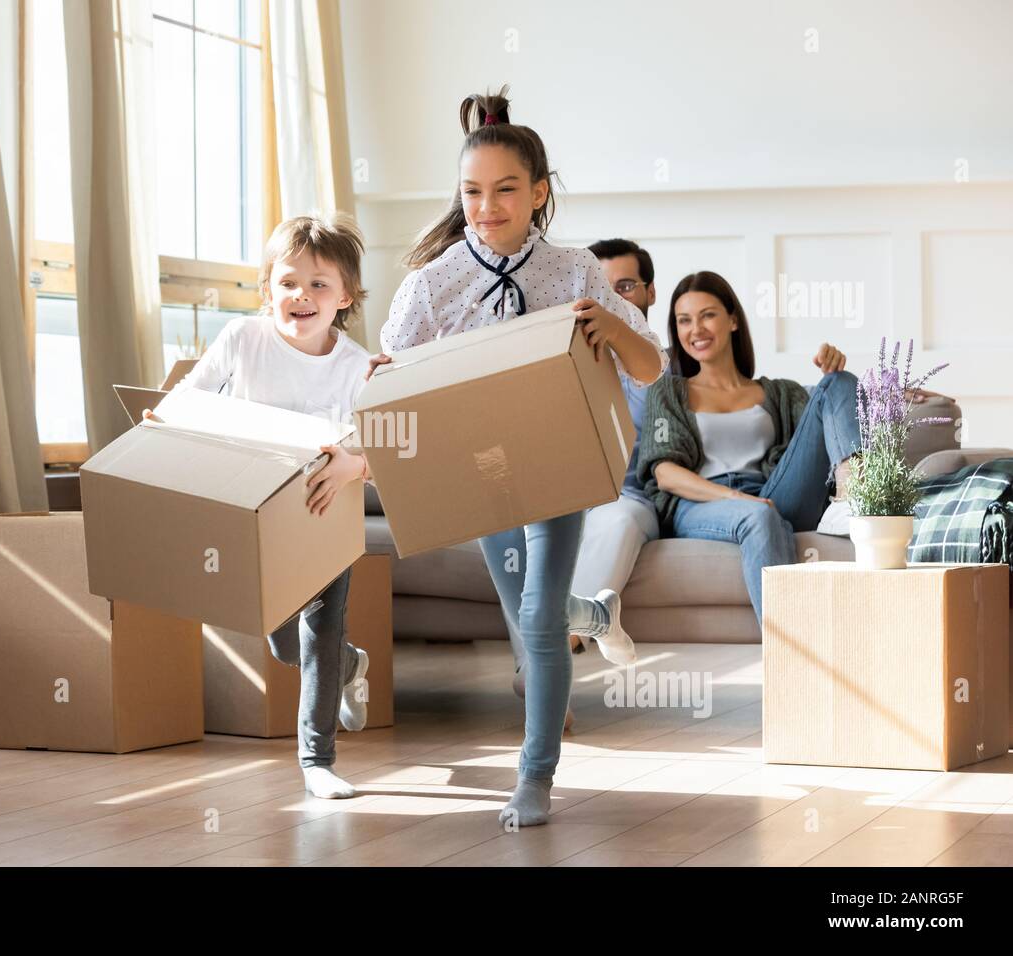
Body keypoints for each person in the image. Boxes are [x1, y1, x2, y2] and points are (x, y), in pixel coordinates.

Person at [378, 88, 668, 828]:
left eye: (506, 190)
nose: (486, 206)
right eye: (472, 192)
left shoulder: (575, 272)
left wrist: (606, 322)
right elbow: (394, 385)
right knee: (532, 613)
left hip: (559, 468)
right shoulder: (432, 285)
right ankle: (591, 610)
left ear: (539, 194)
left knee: (536, 622)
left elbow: (649, 366)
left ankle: (533, 777)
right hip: (481, 476)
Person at [170, 215, 373, 800]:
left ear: (345, 297)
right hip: (255, 509)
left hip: (321, 510)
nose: (301, 297)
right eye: (287, 283)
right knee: (283, 639)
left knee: (320, 629)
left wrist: (353, 464)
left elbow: (387, 448)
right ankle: (349, 664)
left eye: (318, 285)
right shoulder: (242, 338)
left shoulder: (357, 365)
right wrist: (167, 421)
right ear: (267, 290)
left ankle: (317, 759)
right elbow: (188, 398)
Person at [637, 270, 859, 624]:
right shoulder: (670, 393)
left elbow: (828, 425)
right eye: (684, 320)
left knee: (838, 381)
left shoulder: (781, 392)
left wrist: (884, 389)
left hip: (774, 493)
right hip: (704, 504)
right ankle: (791, 653)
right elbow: (665, 474)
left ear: (733, 320)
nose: (696, 329)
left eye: (707, 315)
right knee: (758, 516)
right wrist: (739, 500)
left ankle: (853, 495)